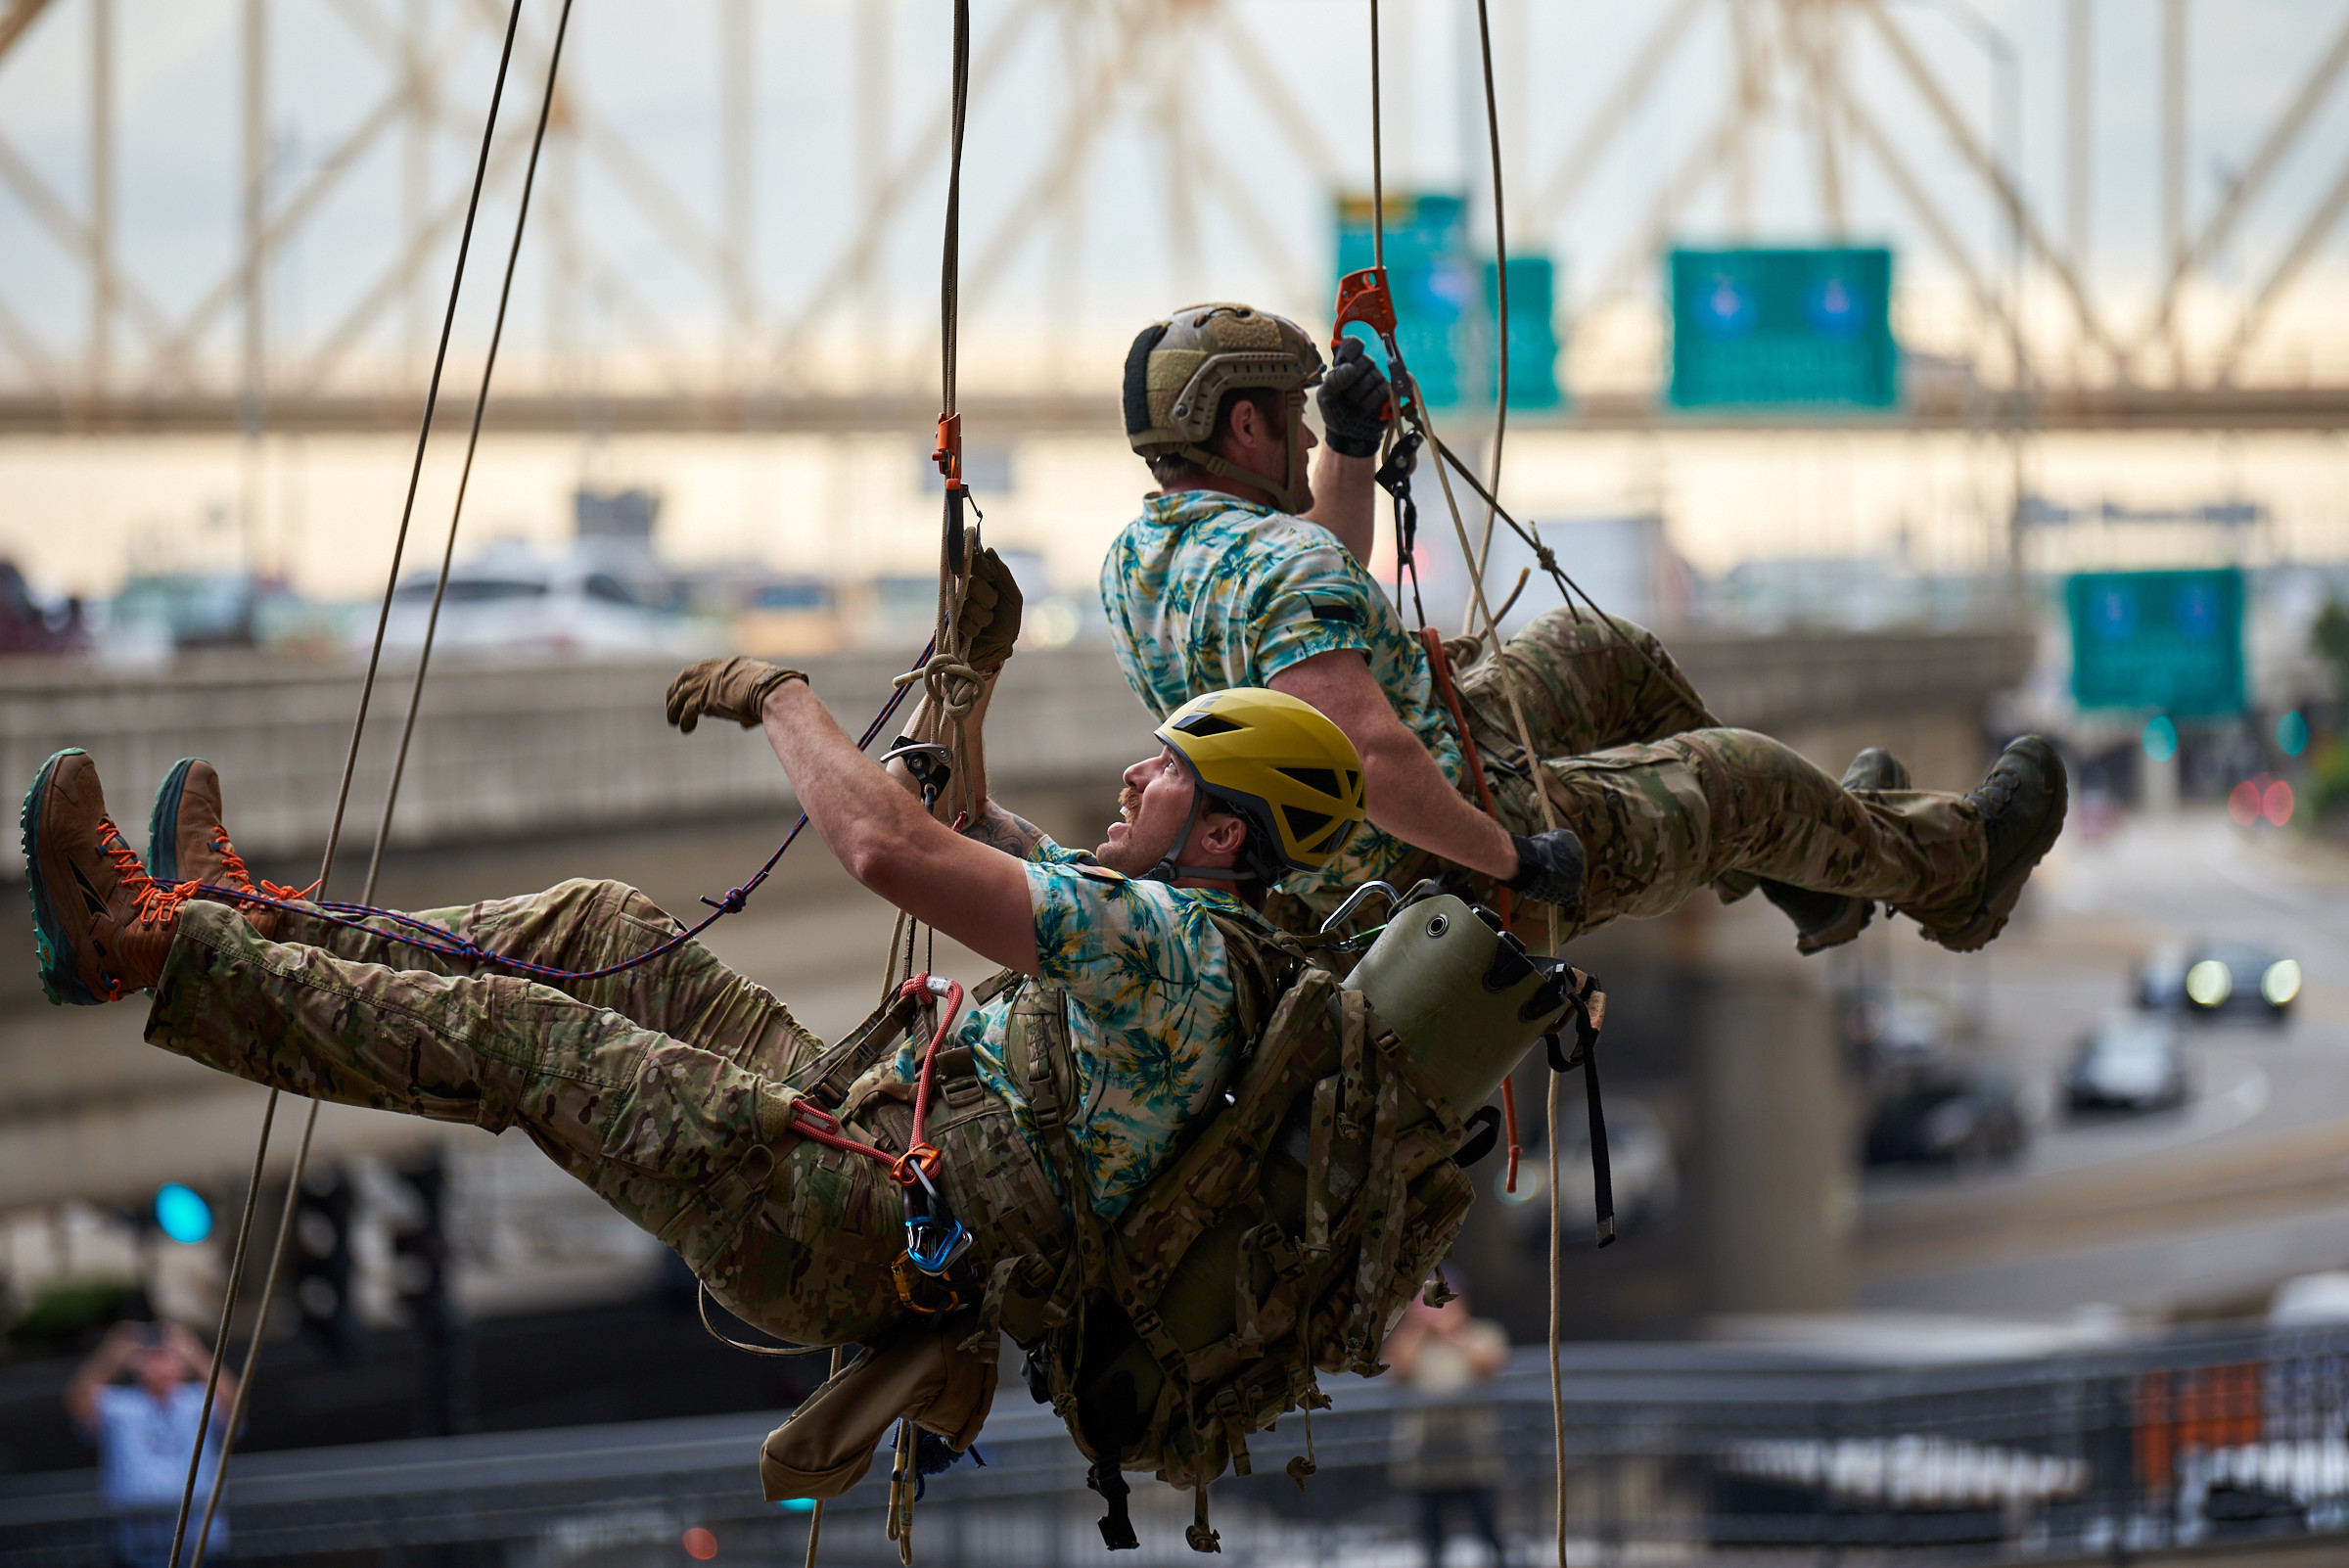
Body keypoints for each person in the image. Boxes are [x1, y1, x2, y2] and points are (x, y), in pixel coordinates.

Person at [19, 563, 1367, 1362]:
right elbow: (963, 828)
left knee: (532, 1040)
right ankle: (257, 924)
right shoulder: (1175, 924)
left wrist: (781, 698)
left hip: (850, 1216)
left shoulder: (1164, 948)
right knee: (602, 927)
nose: (1132, 774)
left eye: (1164, 773)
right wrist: (972, 673)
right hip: (869, 1126)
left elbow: (886, 849)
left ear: (1223, 834)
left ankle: (155, 947)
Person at [1104, 301, 2066, 952]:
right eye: (1294, 416)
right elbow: (1367, 755)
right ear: (1244, 429)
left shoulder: (1140, 564)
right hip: (1436, 862)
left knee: (1605, 656)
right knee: (1738, 780)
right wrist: (1513, 857)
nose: (1308, 434)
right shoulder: (1280, 561)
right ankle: (1958, 875)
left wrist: (1353, 453)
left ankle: (1811, 878)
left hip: (1378, 831)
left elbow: (1311, 578)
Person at [65, 1319, 235, 1568]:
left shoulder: (197, 1400)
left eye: (165, 1357)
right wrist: (112, 1354)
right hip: (138, 1548)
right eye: (151, 1358)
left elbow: (234, 1405)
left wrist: (194, 1352)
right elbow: (79, 1402)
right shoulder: (121, 1405)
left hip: (200, 1545)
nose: (159, 1366)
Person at [1383, 1271, 1511, 1568]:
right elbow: (1396, 1370)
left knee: (1488, 1531)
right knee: (1432, 1541)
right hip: (1424, 1462)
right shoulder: (1412, 1340)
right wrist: (1419, 1329)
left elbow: (1489, 1363)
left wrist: (1453, 1333)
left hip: (1474, 1458)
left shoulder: (1481, 1333)